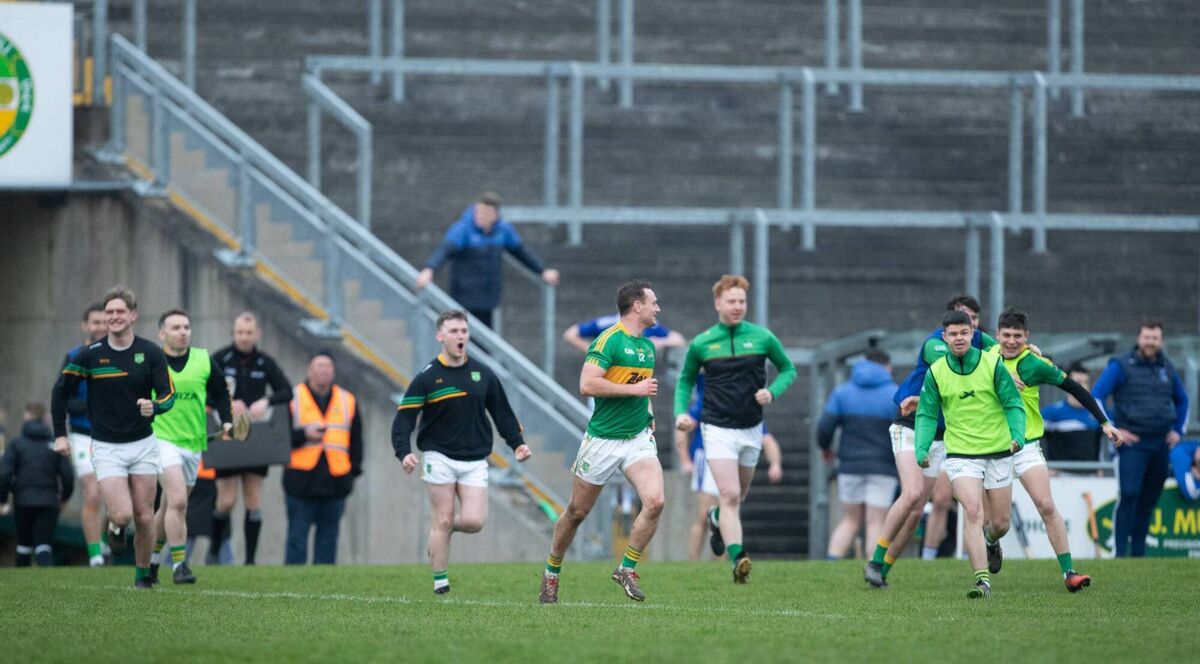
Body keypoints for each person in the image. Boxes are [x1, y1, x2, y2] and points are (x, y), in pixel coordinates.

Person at [539, 281, 664, 604]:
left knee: (655, 501)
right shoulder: (608, 340)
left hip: (637, 438)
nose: (658, 309)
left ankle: (626, 568)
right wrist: (635, 392)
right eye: (653, 303)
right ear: (636, 305)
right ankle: (552, 571)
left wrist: (648, 413)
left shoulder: (647, 346)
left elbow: (642, 388)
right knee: (577, 512)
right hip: (603, 439)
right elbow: (587, 384)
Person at [392, 310, 533, 595]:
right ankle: (440, 583)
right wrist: (403, 451)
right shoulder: (428, 378)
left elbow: (502, 413)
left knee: (473, 521)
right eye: (454, 331)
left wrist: (516, 443)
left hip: (474, 459)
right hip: (438, 456)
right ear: (440, 336)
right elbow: (405, 418)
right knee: (442, 517)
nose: (460, 336)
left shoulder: (483, 373)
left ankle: (441, 533)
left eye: (464, 331)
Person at [865, 294, 996, 588]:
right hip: (911, 425)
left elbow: (1009, 353)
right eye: (959, 320)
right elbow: (957, 367)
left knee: (916, 511)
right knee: (912, 494)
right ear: (946, 326)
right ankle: (875, 558)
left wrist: (1028, 353)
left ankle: (882, 570)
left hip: (942, 436)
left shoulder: (981, 345)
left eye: (972, 321)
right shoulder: (936, 344)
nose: (964, 327)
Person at [673, 275, 796, 583]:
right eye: (731, 301)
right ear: (718, 304)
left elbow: (788, 369)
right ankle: (738, 559)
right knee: (728, 494)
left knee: (738, 497)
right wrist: (680, 414)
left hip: (751, 428)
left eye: (742, 301)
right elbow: (685, 380)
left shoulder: (762, 337)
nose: (738, 306)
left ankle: (716, 519)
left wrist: (772, 392)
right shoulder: (702, 342)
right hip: (716, 428)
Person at [51, 286, 175, 588]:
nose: (114, 317)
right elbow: (60, 392)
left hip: (143, 444)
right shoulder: (89, 355)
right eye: (109, 313)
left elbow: (169, 394)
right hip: (106, 446)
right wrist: (60, 435)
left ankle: (142, 575)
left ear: (133, 315)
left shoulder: (150, 352)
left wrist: (154, 406)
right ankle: (116, 529)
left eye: (120, 311)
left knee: (145, 517)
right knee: (122, 515)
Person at [994, 308, 1121, 591]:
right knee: (999, 524)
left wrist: (1104, 422)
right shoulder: (987, 360)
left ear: (1027, 337)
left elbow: (1076, 388)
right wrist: (999, 375)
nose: (1012, 341)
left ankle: (1069, 573)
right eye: (1007, 336)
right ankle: (992, 542)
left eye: (1018, 336)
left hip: (1026, 446)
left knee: (1047, 506)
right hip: (994, 448)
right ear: (997, 336)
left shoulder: (1036, 364)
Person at [914, 310, 1025, 599]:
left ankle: (992, 541)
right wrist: (922, 448)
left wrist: (1018, 435)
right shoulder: (936, 371)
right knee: (973, 511)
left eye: (964, 333)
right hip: (961, 454)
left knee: (1000, 523)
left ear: (972, 335)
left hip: (999, 450)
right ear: (945, 337)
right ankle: (982, 581)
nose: (959, 338)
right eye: (953, 334)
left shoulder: (992, 363)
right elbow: (926, 413)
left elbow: (1013, 402)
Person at [147, 309, 234, 585]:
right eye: (175, 328)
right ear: (162, 333)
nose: (183, 332)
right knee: (179, 502)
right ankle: (180, 566)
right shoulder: (152, 360)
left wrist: (228, 421)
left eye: (186, 327)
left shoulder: (203, 359)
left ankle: (150, 563)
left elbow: (221, 392)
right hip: (161, 439)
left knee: (167, 507)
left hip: (194, 443)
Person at [1092, 319, 1190, 557]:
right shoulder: (1121, 365)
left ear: (1161, 340)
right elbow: (1096, 396)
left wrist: (1178, 430)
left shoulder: (1167, 367)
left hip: (1160, 445)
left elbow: (1183, 400)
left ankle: (1138, 555)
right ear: (1139, 338)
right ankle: (1119, 554)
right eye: (1147, 337)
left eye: (1155, 338)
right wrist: (1113, 428)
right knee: (1130, 494)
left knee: (1148, 502)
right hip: (1131, 445)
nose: (1150, 342)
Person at [210, 312, 293, 565]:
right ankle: (214, 550)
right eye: (239, 333)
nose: (244, 337)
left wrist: (265, 401)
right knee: (226, 500)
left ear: (257, 334)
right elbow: (202, 391)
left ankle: (250, 561)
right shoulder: (219, 359)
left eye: (249, 333)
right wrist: (226, 402)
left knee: (253, 498)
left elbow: (286, 391)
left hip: (255, 436)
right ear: (233, 334)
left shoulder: (265, 363)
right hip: (226, 433)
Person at [674, 375, 783, 561]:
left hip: (731, 460)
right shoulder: (708, 401)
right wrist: (685, 459)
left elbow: (767, 438)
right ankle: (692, 564)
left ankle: (722, 564)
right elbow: (682, 428)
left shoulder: (745, 408)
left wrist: (776, 464)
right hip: (707, 457)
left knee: (729, 508)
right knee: (703, 515)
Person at [415, 192, 559, 328]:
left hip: (488, 299)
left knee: (485, 343)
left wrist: (542, 271)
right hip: (464, 297)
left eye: (485, 213)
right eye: (478, 212)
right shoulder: (463, 229)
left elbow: (520, 252)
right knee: (463, 337)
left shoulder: (503, 231)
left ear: (495, 215)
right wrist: (430, 269)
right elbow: (445, 250)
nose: (480, 216)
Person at [817, 350, 899, 560]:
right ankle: (873, 569)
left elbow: (824, 428)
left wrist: (826, 450)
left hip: (850, 467)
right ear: (886, 367)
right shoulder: (894, 394)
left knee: (850, 520)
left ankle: (830, 565)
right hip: (883, 467)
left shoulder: (843, 392)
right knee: (876, 521)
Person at [283, 351, 363, 565]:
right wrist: (303, 435)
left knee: (328, 541)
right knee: (296, 540)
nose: (323, 371)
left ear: (334, 371)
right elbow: (279, 438)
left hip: (335, 481)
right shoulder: (293, 397)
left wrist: (352, 473)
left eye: (328, 366)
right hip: (300, 481)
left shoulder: (347, 400)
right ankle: (292, 586)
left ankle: (323, 584)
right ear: (309, 369)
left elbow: (356, 441)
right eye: (319, 366)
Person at [61, 302, 109, 566]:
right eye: (95, 322)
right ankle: (95, 555)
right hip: (82, 435)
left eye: (104, 322)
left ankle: (102, 538)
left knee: (113, 500)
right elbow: (62, 397)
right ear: (85, 325)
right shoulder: (73, 357)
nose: (100, 327)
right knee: (92, 493)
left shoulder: (119, 356)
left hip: (114, 437)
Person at [0, 403, 75, 566]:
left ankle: (20, 584)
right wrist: (63, 498)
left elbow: (4, 474)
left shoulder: (16, 444)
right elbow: (68, 477)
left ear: (26, 418)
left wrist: (4, 498)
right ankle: (50, 582)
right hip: (49, 502)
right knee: (44, 546)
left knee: (23, 546)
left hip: (22, 501)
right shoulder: (55, 445)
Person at [1041, 364, 1105, 468]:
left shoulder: (1098, 413)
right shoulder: (1052, 413)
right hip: (1061, 477)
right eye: (1078, 382)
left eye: (1086, 382)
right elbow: (1032, 440)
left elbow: (1101, 444)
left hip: (1091, 477)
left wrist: (1100, 469)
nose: (1083, 386)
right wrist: (1045, 467)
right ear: (1067, 385)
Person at [564, 313, 686, 354]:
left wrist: (659, 342)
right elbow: (570, 334)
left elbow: (679, 340)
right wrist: (597, 352)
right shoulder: (608, 324)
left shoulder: (650, 326)